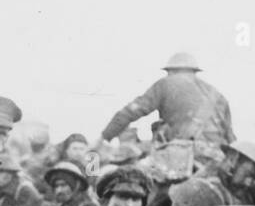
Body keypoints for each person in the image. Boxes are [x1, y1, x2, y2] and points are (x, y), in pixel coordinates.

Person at [100, 51, 234, 157]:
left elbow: (131, 111)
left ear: (170, 71)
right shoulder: (218, 96)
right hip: (216, 156)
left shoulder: (166, 84)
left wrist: (104, 137)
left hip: (182, 155)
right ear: (194, 71)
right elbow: (230, 136)